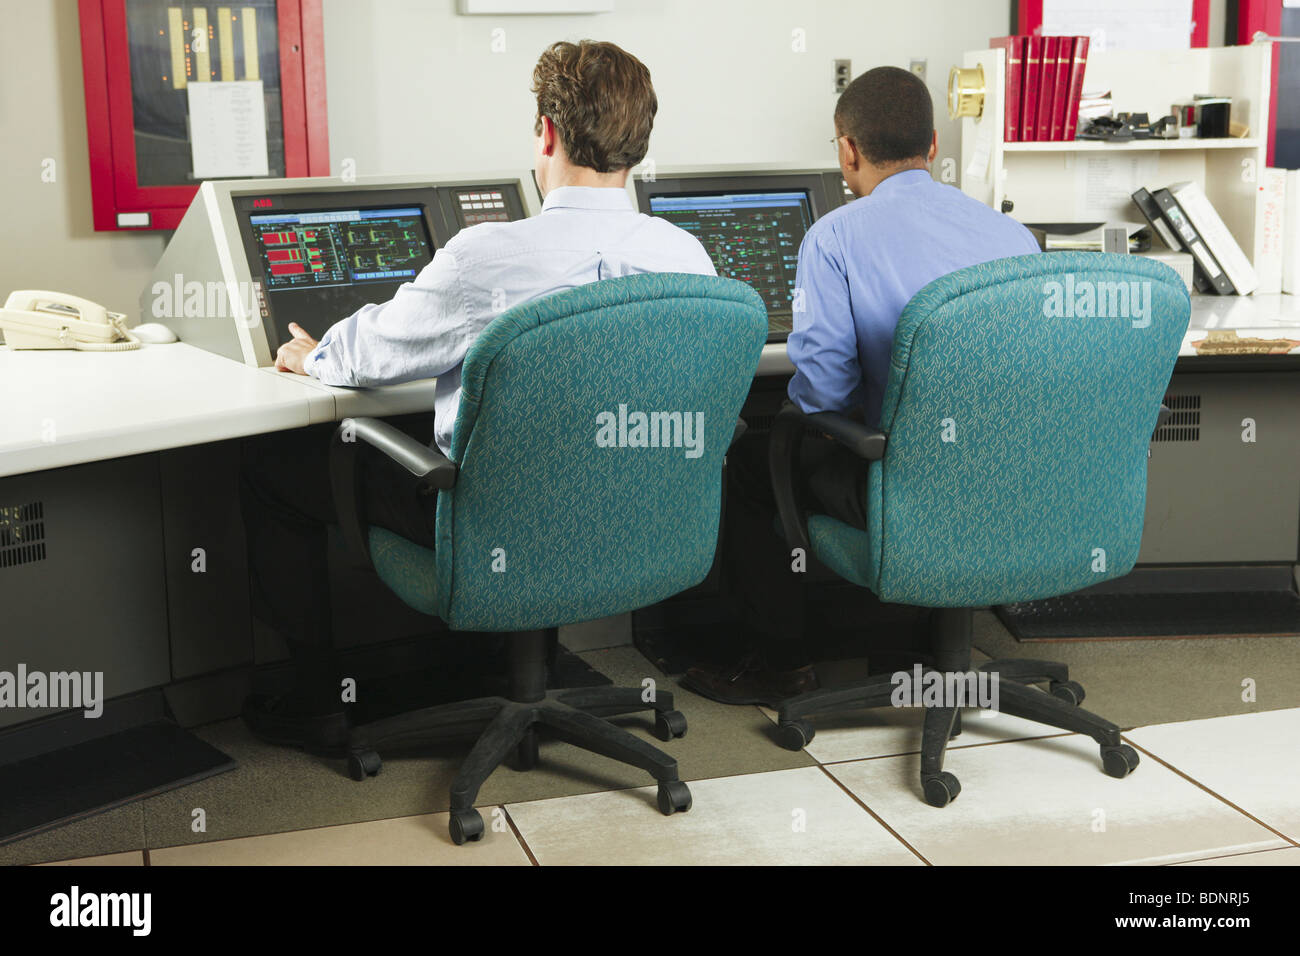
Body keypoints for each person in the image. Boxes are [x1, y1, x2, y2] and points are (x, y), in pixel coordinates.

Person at [241, 39, 716, 750]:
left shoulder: (486, 258)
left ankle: (316, 703)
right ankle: (529, 664)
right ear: (638, 146)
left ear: (547, 132)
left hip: (492, 523)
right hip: (632, 522)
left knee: (274, 467)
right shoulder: (689, 261)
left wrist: (315, 357)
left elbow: (371, 354)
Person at [683, 66, 1041, 706]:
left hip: (900, 487)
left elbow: (822, 397)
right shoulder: (1013, 236)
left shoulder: (835, 237)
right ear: (933, 145)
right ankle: (926, 639)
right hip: (1007, 478)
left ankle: (784, 663)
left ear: (847, 151)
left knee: (749, 459)